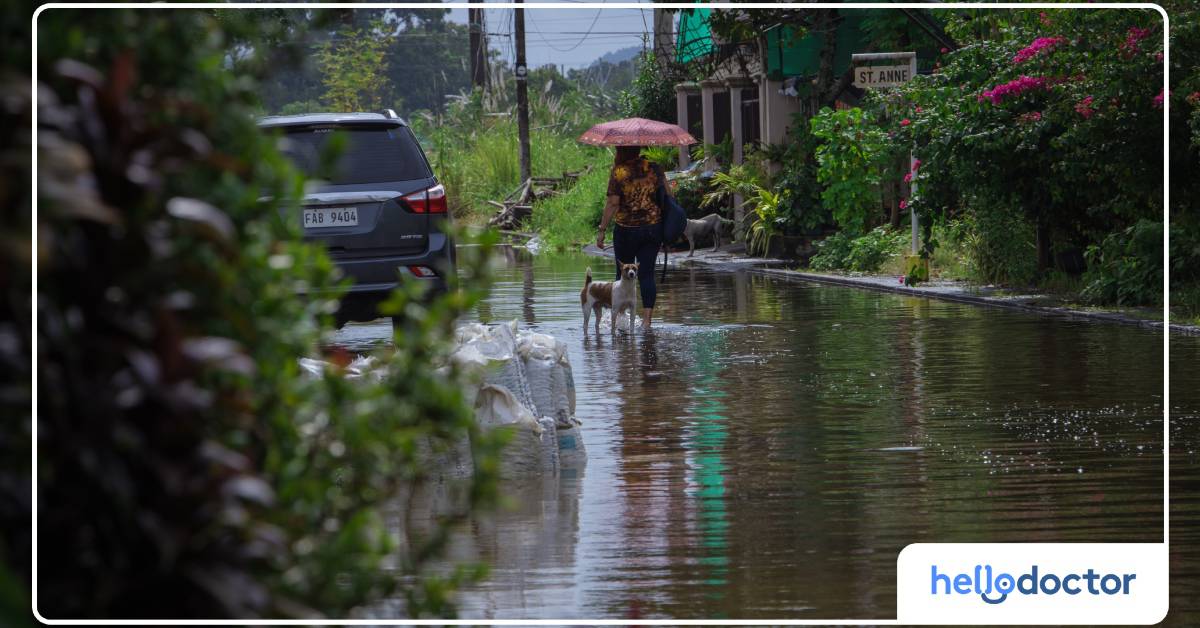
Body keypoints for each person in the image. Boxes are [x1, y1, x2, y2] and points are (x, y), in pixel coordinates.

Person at [596, 145, 669, 331]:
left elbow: (613, 202)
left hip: (626, 230)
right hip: (652, 228)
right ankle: (646, 322)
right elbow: (669, 195)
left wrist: (602, 229)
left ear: (621, 150)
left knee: (622, 273)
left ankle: (620, 320)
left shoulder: (619, 171)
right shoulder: (654, 168)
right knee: (646, 275)